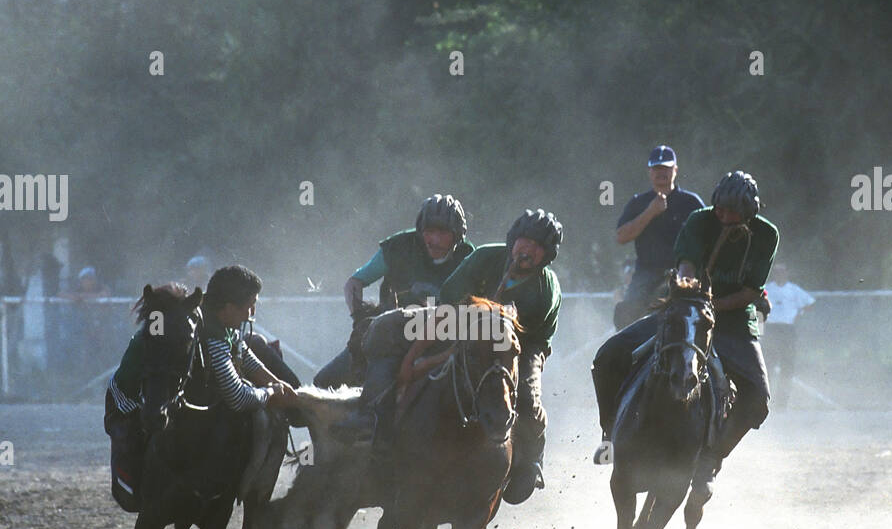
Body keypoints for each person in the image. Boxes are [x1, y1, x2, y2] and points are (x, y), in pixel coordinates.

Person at [343, 209, 563, 505]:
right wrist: (421, 356)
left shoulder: (545, 288)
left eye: (537, 247)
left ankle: (530, 462)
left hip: (519, 343)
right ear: (512, 241)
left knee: (527, 394)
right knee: (387, 327)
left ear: (546, 256)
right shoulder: (486, 257)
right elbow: (448, 300)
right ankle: (369, 415)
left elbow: (517, 337)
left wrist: (485, 331)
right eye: (524, 241)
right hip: (459, 322)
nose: (528, 250)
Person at [591, 171, 777, 503]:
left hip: (733, 321)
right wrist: (690, 293)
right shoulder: (697, 220)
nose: (722, 216)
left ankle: (711, 457)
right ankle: (610, 435)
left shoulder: (766, 235)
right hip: (683, 309)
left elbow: (751, 290)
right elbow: (687, 264)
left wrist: (711, 306)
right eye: (719, 209)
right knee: (608, 356)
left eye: (731, 213)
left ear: (750, 213)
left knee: (758, 398)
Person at [105, 266, 298, 511]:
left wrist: (275, 382)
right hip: (128, 394)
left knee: (257, 343)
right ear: (228, 307)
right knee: (139, 436)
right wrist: (270, 393)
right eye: (249, 305)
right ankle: (136, 488)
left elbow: (240, 349)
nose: (252, 313)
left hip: (160, 389)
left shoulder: (215, 317)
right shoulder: (205, 328)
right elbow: (237, 396)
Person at [315, 194, 474, 388]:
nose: (435, 240)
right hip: (391, 337)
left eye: (443, 233)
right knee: (323, 382)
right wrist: (359, 319)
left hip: (441, 342)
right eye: (430, 231)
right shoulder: (399, 247)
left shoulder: (469, 258)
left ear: (457, 235)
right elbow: (354, 283)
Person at [613, 145, 704, 329]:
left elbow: (708, 236)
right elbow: (621, 237)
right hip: (648, 272)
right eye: (656, 168)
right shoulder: (639, 202)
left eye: (666, 168)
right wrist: (650, 212)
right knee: (627, 313)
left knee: (703, 310)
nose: (661, 172)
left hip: (684, 272)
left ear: (675, 170)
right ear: (649, 172)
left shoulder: (691, 202)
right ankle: (627, 355)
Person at [763, 263, 814, 409]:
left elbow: (809, 303)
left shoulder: (793, 290)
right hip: (771, 329)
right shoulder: (767, 289)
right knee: (768, 366)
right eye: (777, 272)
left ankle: (781, 403)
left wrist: (798, 314)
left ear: (787, 273)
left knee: (787, 366)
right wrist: (759, 330)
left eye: (782, 272)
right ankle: (766, 400)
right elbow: (758, 310)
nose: (779, 275)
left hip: (787, 330)